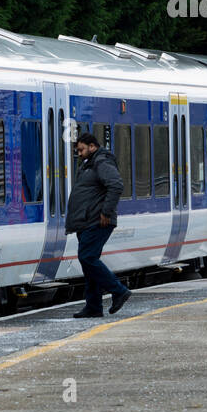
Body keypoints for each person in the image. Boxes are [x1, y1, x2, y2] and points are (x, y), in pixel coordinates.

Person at [66, 131, 132, 317]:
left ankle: (118, 290)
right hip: (86, 221)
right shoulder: (89, 163)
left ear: (92, 147)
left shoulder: (102, 162)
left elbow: (116, 185)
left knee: (87, 258)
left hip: (98, 220)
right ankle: (93, 306)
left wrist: (106, 212)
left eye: (81, 150)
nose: (79, 154)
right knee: (89, 262)